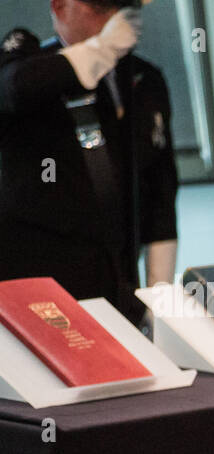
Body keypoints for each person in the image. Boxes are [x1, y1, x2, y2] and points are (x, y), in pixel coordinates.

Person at [0, 0, 178, 329]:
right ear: (59, 7)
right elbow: (16, 88)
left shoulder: (142, 79)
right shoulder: (25, 60)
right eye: (99, 6)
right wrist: (103, 49)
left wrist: (160, 298)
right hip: (36, 278)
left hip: (115, 275)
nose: (112, 18)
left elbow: (160, 189)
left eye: (122, 7)